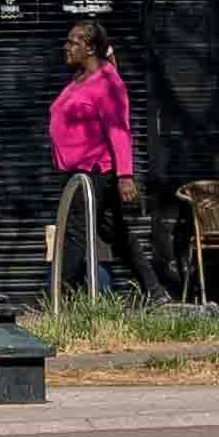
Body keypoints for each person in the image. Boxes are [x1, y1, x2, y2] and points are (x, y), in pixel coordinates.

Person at [46, 21, 142, 300]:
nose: (67, 47)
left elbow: (120, 131)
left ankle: (57, 297)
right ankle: (156, 291)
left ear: (90, 48)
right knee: (119, 235)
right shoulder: (80, 80)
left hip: (94, 172)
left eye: (73, 42)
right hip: (77, 172)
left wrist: (125, 175)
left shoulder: (108, 82)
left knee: (75, 233)